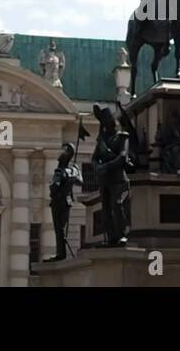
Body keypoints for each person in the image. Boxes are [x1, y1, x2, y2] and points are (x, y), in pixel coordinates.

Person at [92, 104, 133, 246]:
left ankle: (122, 235)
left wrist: (105, 166)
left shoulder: (122, 137)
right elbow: (94, 158)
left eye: (108, 120)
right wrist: (97, 167)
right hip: (105, 180)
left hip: (118, 179)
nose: (107, 124)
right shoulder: (102, 141)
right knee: (106, 210)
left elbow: (122, 157)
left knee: (117, 205)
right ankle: (111, 238)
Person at [44, 143, 82, 262]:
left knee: (58, 229)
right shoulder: (73, 171)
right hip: (68, 202)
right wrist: (77, 170)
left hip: (58, 202)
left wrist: (51, 185)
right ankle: (61, 253)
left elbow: (54, 186)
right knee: (62, 229)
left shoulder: (59, 172)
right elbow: (80, 182)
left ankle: (60, 254)